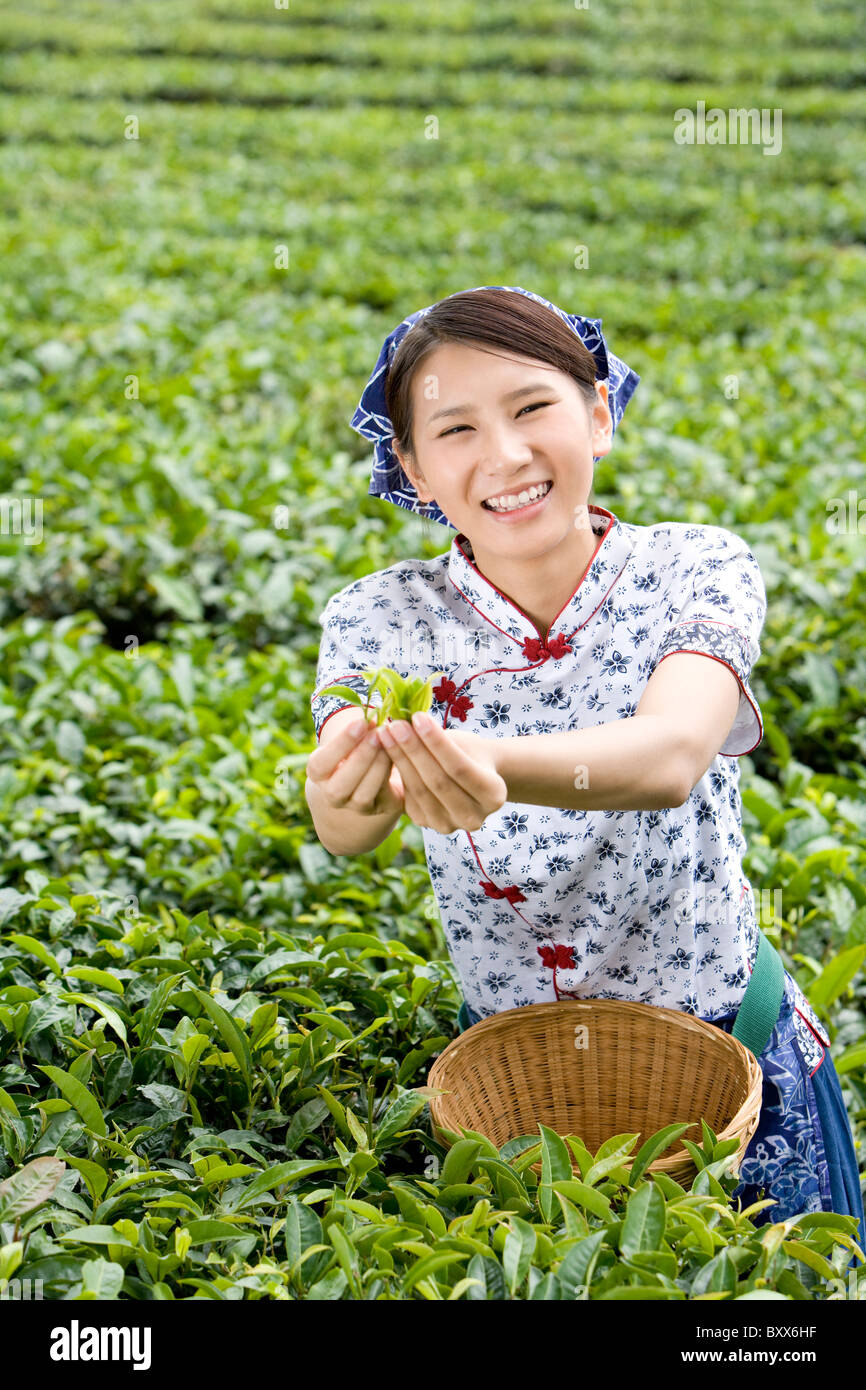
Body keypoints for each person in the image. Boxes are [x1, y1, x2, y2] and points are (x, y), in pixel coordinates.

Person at [304, 285, 864, 1256]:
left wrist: (485, 763)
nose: (505, 455)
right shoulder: (378, 618)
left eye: (532, 408)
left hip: (730, 1052)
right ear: (411, 466)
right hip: (519, 1093)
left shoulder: (694, 567)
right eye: (455, 428)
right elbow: (344, 825)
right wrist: (345, 787)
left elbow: (670, 753)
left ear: (597, 413)